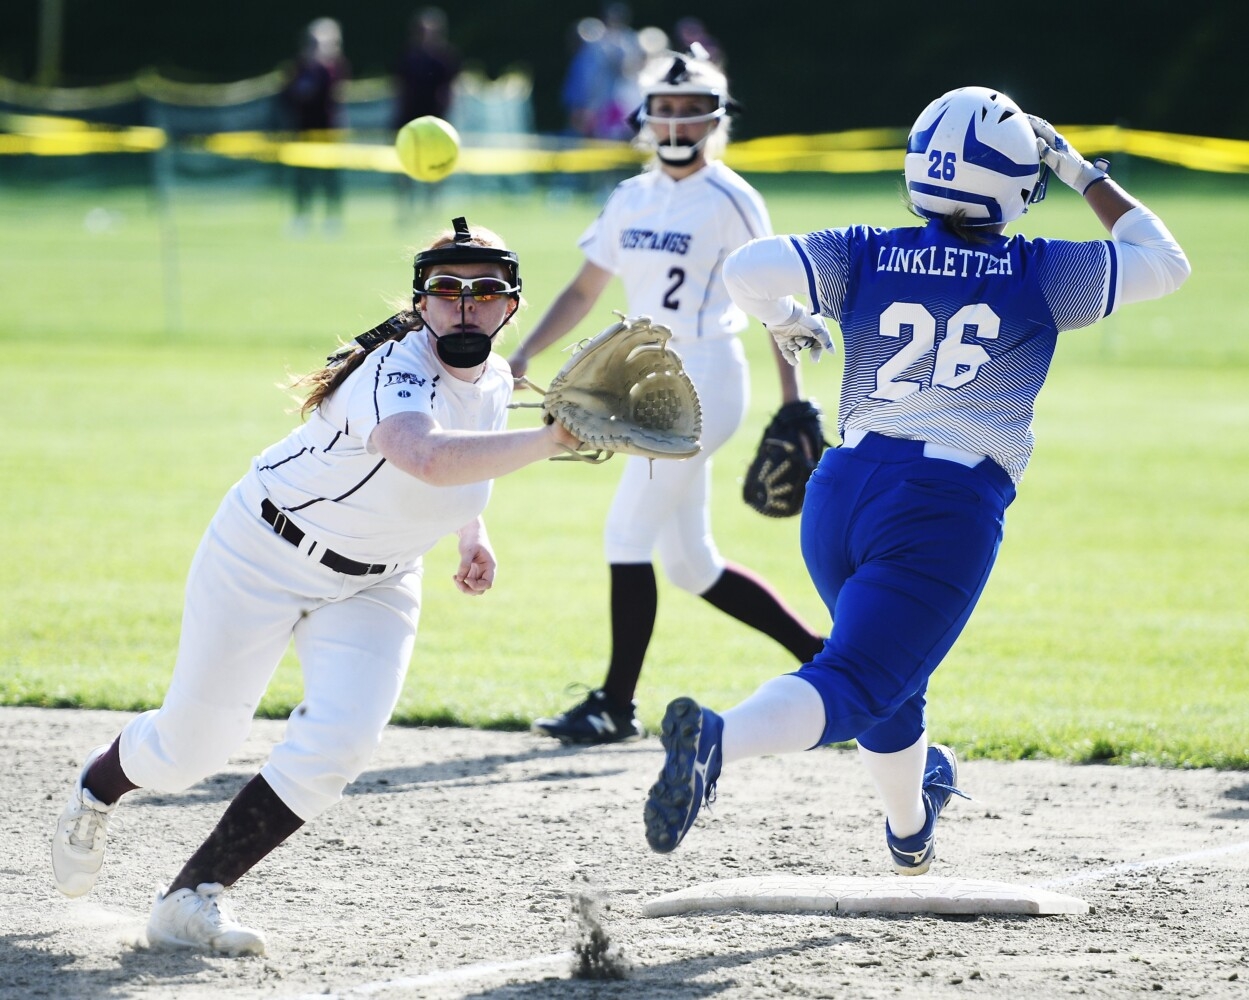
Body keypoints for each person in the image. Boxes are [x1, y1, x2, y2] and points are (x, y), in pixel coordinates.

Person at [643, 86, 1191, 869]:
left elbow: (746, 269)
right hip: (941, 506)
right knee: (859, 679)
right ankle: (718, 739)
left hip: (840, 492)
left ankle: (909, 830)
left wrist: (786, 320)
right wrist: (1077, 169)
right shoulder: (1037, 270)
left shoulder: (867, 250)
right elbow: (1166, 263)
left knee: (894, 680)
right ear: (1013, 184)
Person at [49, 218, 583, 955]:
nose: (466, 305)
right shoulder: (393, 369)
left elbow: (463, 460)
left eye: (486, 291)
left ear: (511, 306)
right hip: (263, 553)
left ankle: (191, 897)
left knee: (340, 743)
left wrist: (471, 532)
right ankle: (97, 786)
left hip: (379, 580)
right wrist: (551, 441)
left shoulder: (493, 378)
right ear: (421, 302)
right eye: (447, 289)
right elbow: (425, 456)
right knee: (188, 752)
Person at [510, 47, 826, 747]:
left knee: (625, 535)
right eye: (666, 108)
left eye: (691, 109)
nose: (678, 121)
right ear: (645, 117)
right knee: (690, 564)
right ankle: (824, 658)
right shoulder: (631, 196)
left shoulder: (731, 197)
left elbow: (773, 303)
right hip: (647, 377)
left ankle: (614, 705)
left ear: (716, 118)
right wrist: (525, 351)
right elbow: (584, 289)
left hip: (706, 374)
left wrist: (792, 402)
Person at [283, 17, 350, 237]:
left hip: (328, 131)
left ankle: (332, 218)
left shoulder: (333, 67)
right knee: (302, 178)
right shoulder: (298, 66)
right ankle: (302, 216)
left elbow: (334, 95)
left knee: (330, 178)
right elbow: (288, 95)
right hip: (303, 130)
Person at [391, 7, 461, 216]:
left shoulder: (445, 56)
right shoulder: (408, 56)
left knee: (438, 165)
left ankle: (432, 206)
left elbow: (452, 87)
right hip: (409, 119)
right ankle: (406, 207)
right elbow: (398, 87)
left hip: (436, 121)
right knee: (404, 166)